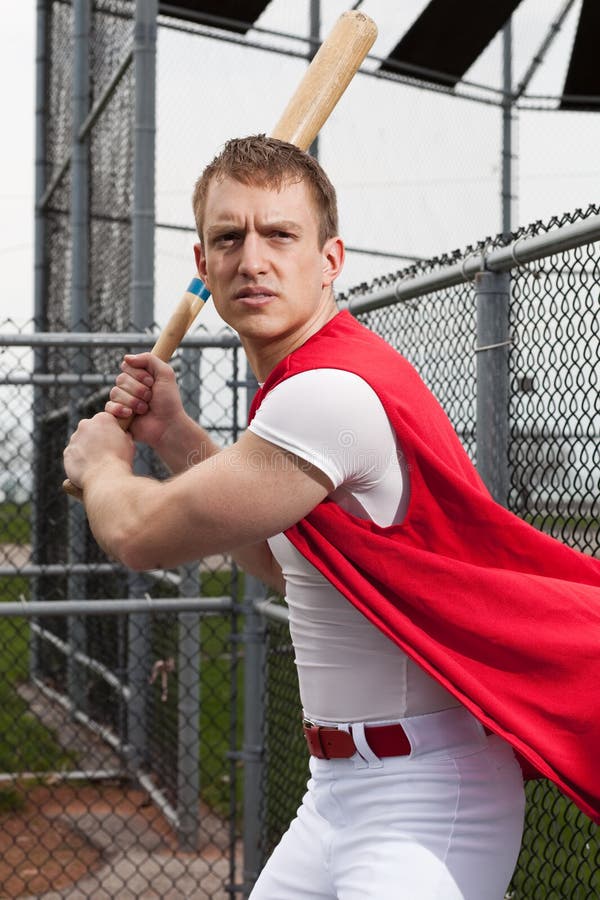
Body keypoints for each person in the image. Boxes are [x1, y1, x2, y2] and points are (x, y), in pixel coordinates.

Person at [64, 135, 600, 899]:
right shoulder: (310, 383)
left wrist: (100, 468)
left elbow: (140, 534)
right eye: (230, 238)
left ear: (330, 260)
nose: (253, 259)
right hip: (339, 794)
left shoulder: (329, 394)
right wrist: (175, 436)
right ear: (203, 265)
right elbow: (287, 568)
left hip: (423, 799)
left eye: (280, 234)